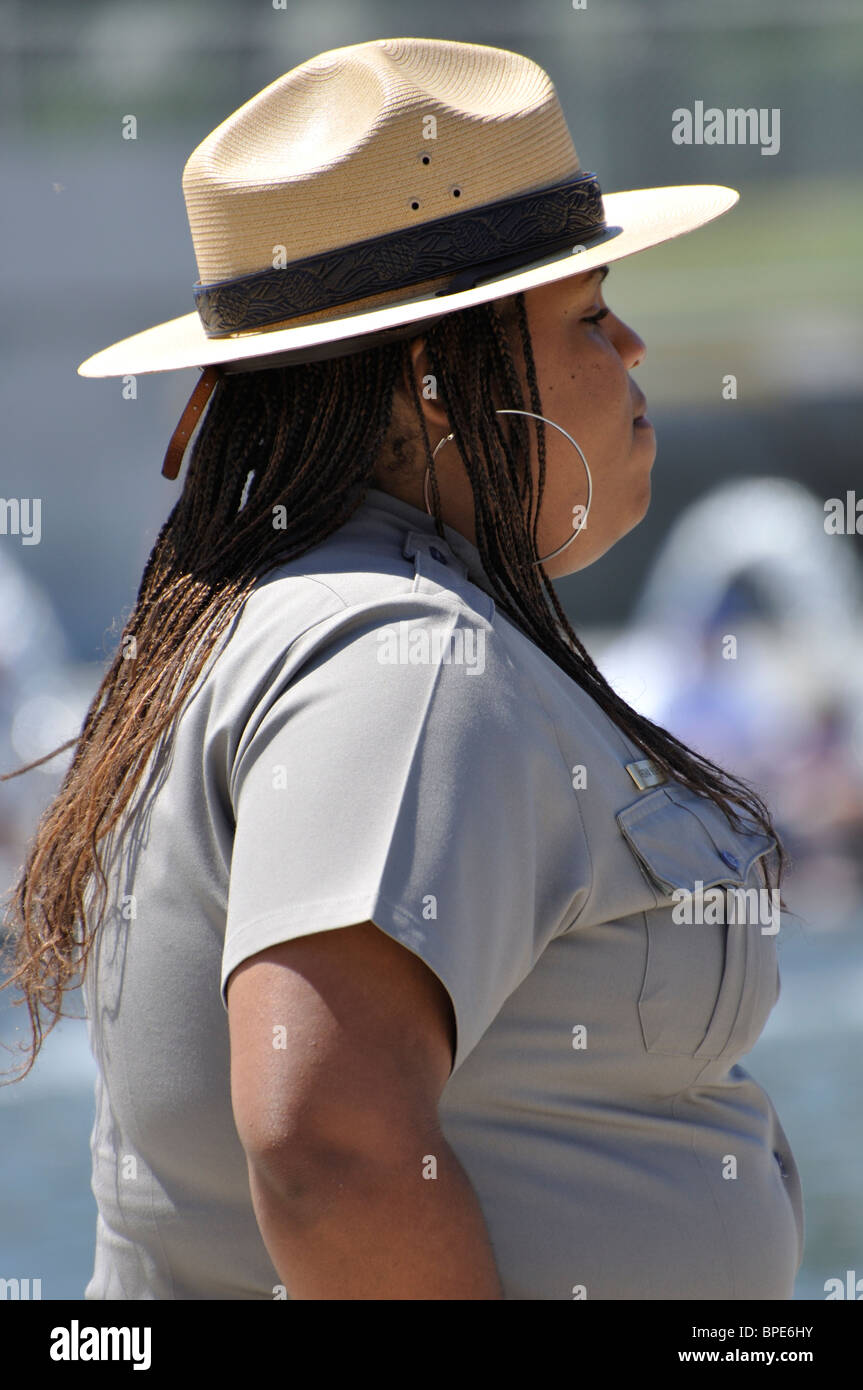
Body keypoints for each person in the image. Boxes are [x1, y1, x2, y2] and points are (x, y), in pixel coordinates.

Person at [0, 37, 803, 1300]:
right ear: (435, 384)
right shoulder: (403, 658)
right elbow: (327, 1146)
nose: (635, 347)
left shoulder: (321, 613)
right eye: (587, 314)